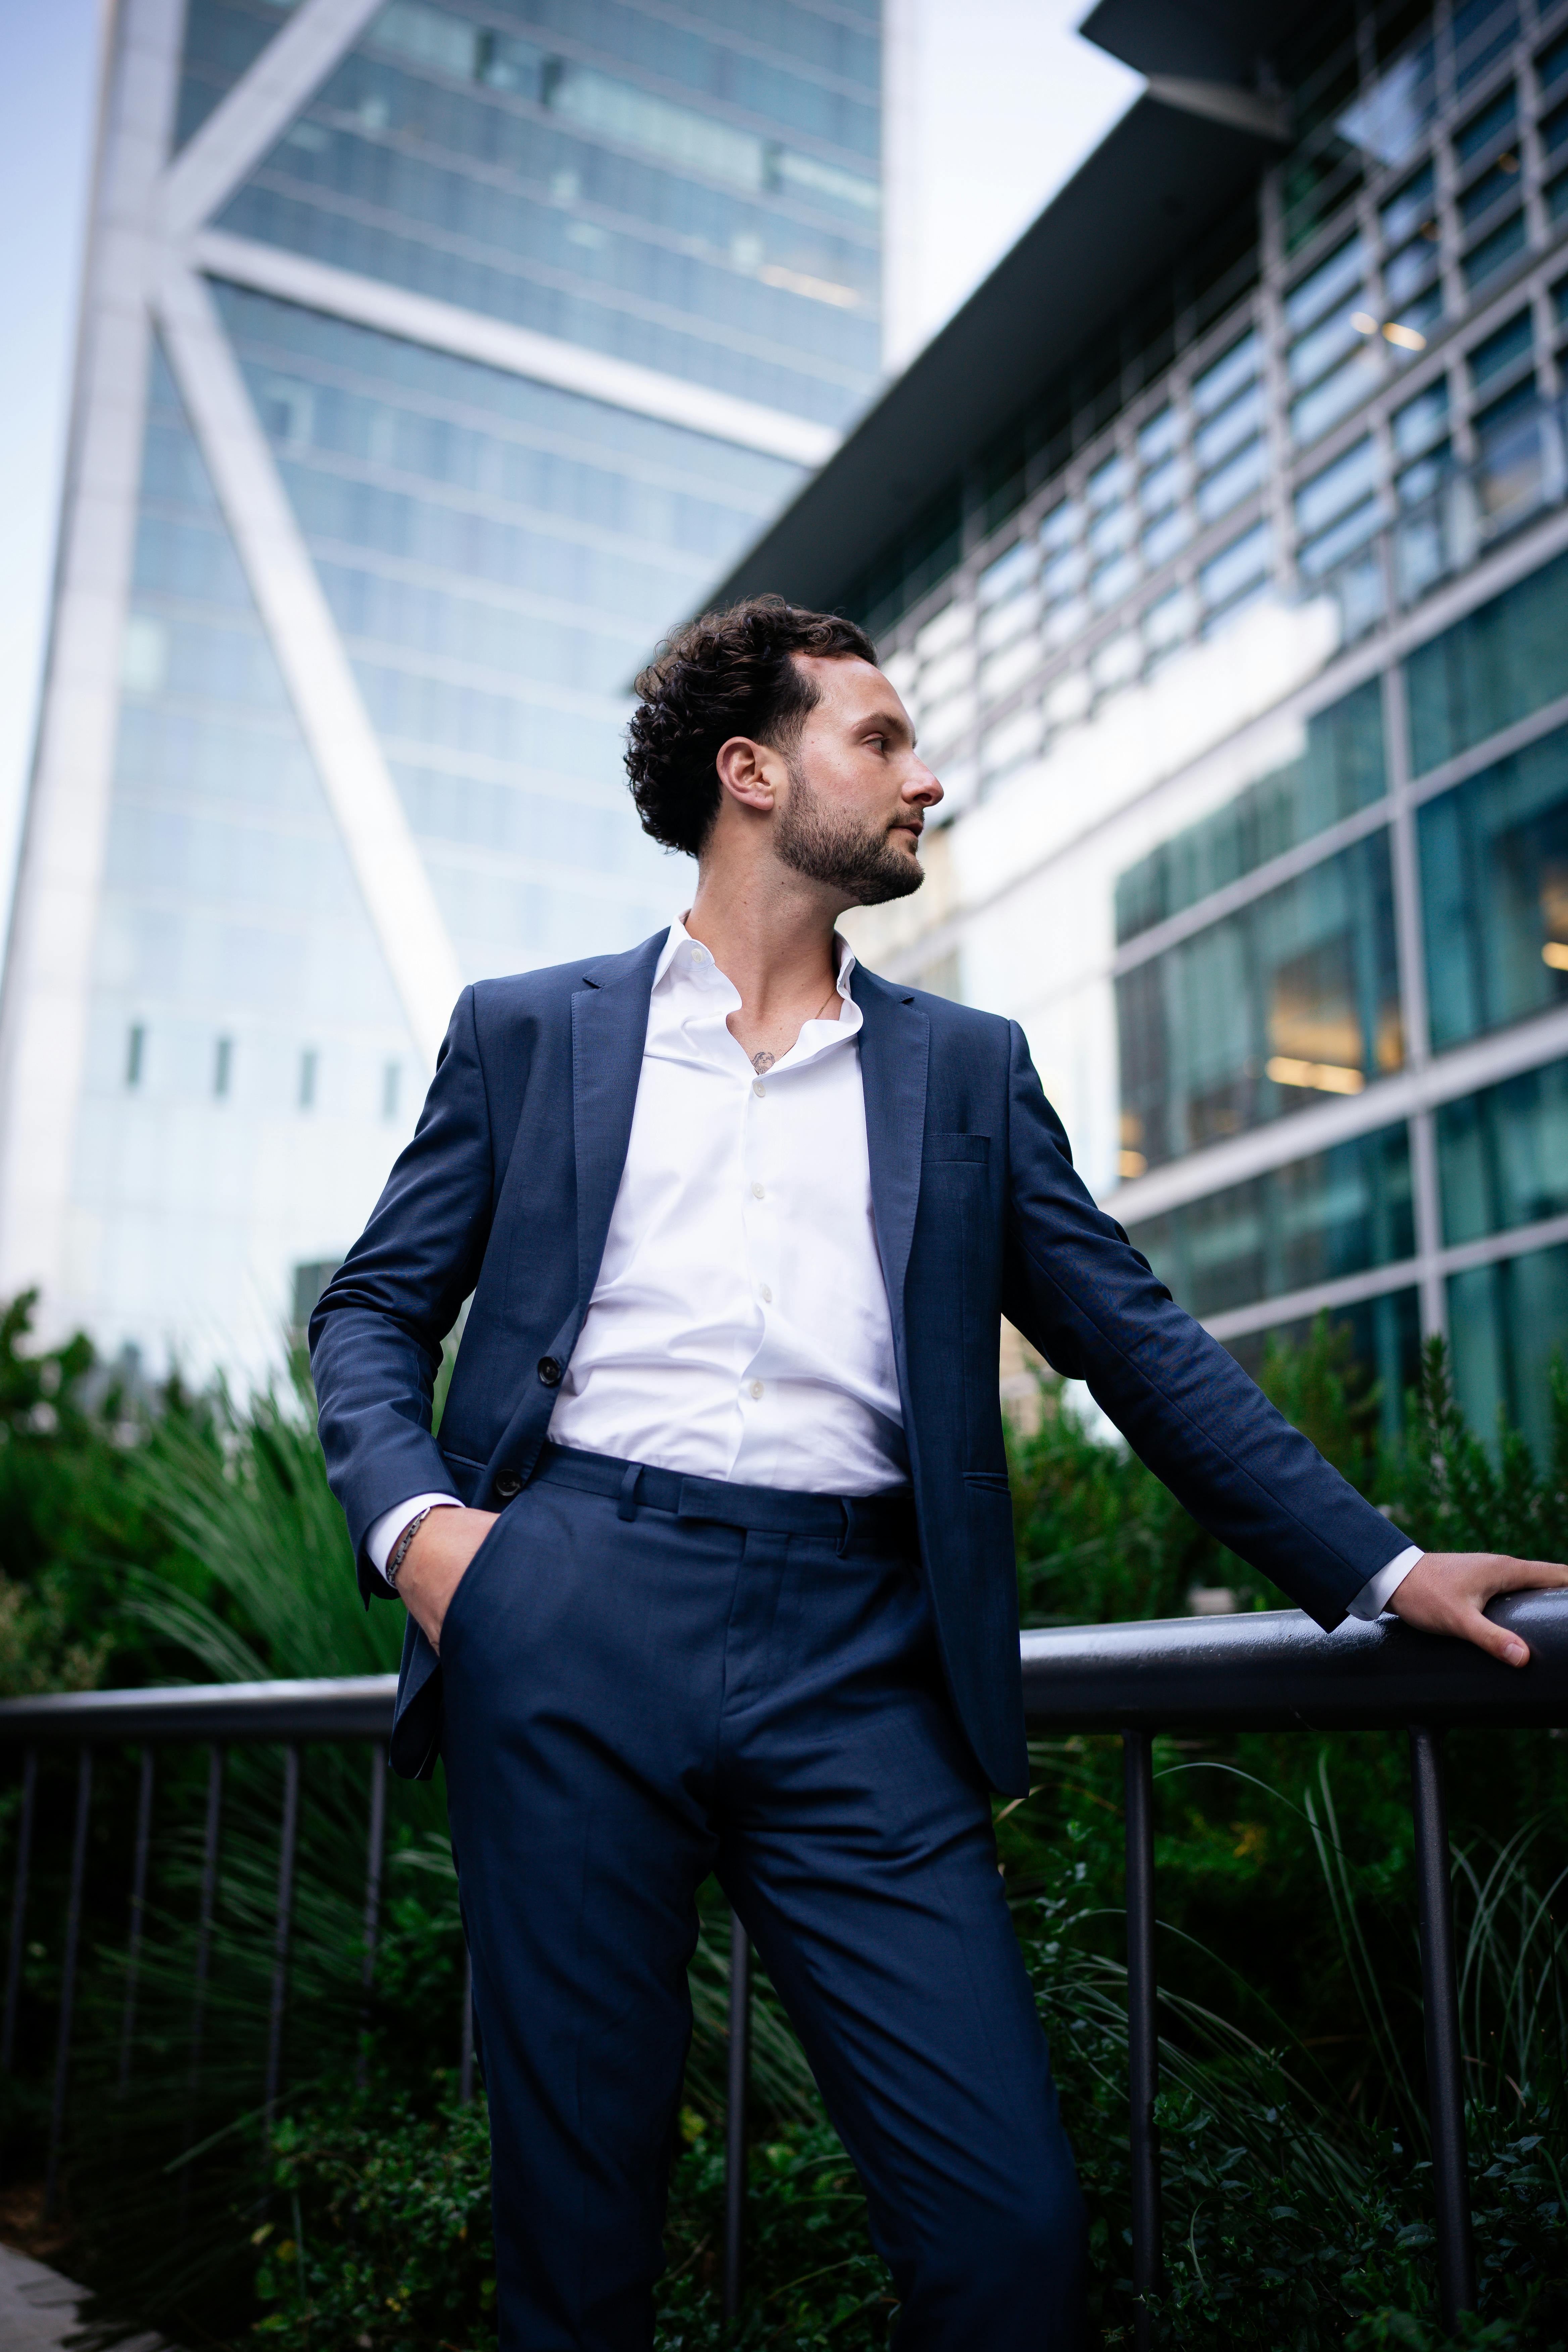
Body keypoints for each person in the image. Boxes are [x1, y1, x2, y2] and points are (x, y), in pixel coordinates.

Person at [309, 597, 1568, 2350]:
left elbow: (1133, 1340)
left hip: (861, 1658)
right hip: (571, 1605)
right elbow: (373, 1307)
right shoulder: (529, 1033)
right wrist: (426, 1537)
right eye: (882, 739)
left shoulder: (966, 1070)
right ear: (753, 773)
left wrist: (1384, 1566)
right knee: (578, 2245)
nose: (928, 779)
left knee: (1009, 2234)